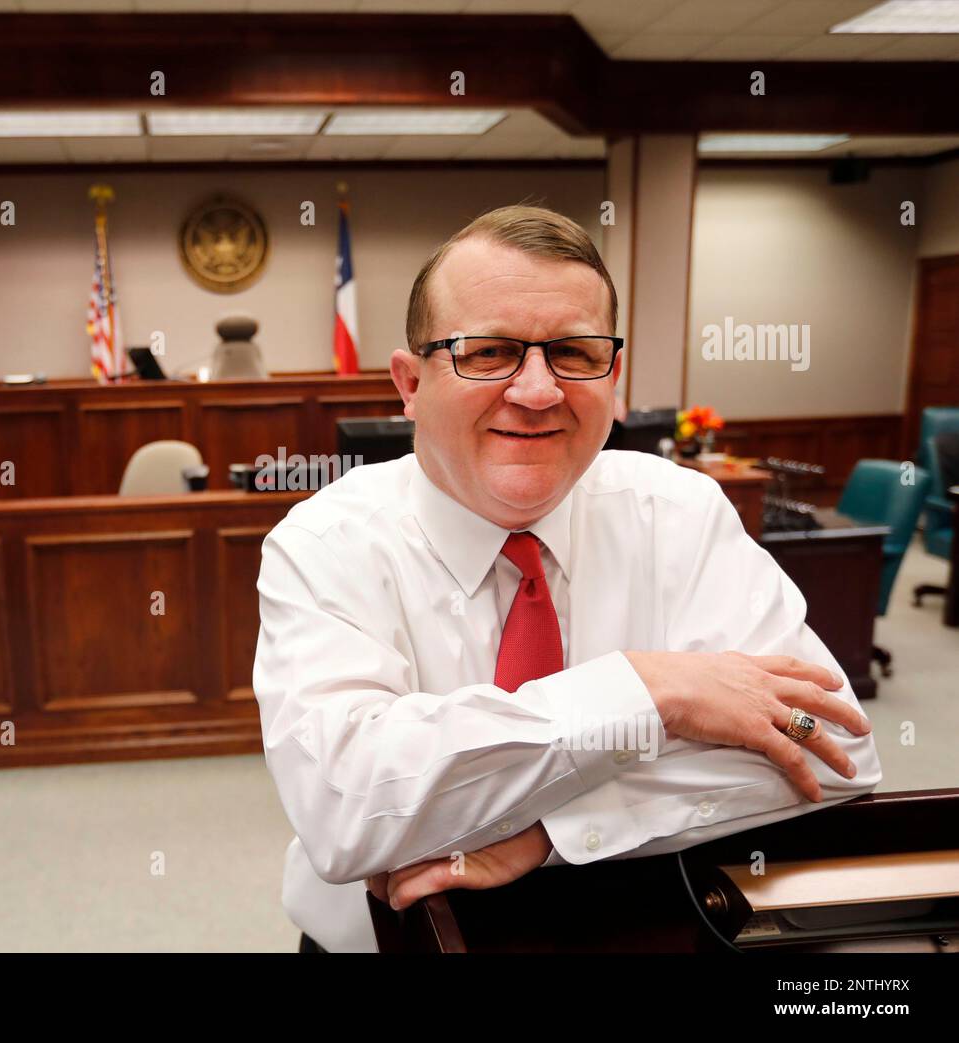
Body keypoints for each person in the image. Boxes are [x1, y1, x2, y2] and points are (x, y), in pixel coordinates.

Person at [252, 205, 880, 954]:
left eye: (575, 353)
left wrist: (551, 831)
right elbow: (349, 808)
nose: (539, 389)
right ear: (410, 382)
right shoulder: (324, 545)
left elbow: (832, 752)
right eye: (488, 352)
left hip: (646, 931)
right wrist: (649, 692)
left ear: (613, 379)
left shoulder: (678, 512)